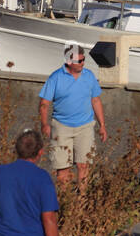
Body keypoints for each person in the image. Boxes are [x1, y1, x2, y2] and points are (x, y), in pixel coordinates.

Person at [38, 42, 107, 185]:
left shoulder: (89, 76)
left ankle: (81, 203)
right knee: (63, 168)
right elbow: (44, 104)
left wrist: (102, 125)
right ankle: (66, 202)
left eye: (83, 60)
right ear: (69, 61)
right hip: (61, 127)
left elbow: (96, 101)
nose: (82, 63)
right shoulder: (55, 77)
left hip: (85, 127)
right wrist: (44, 124)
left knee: (84, 165)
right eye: (79, 61)